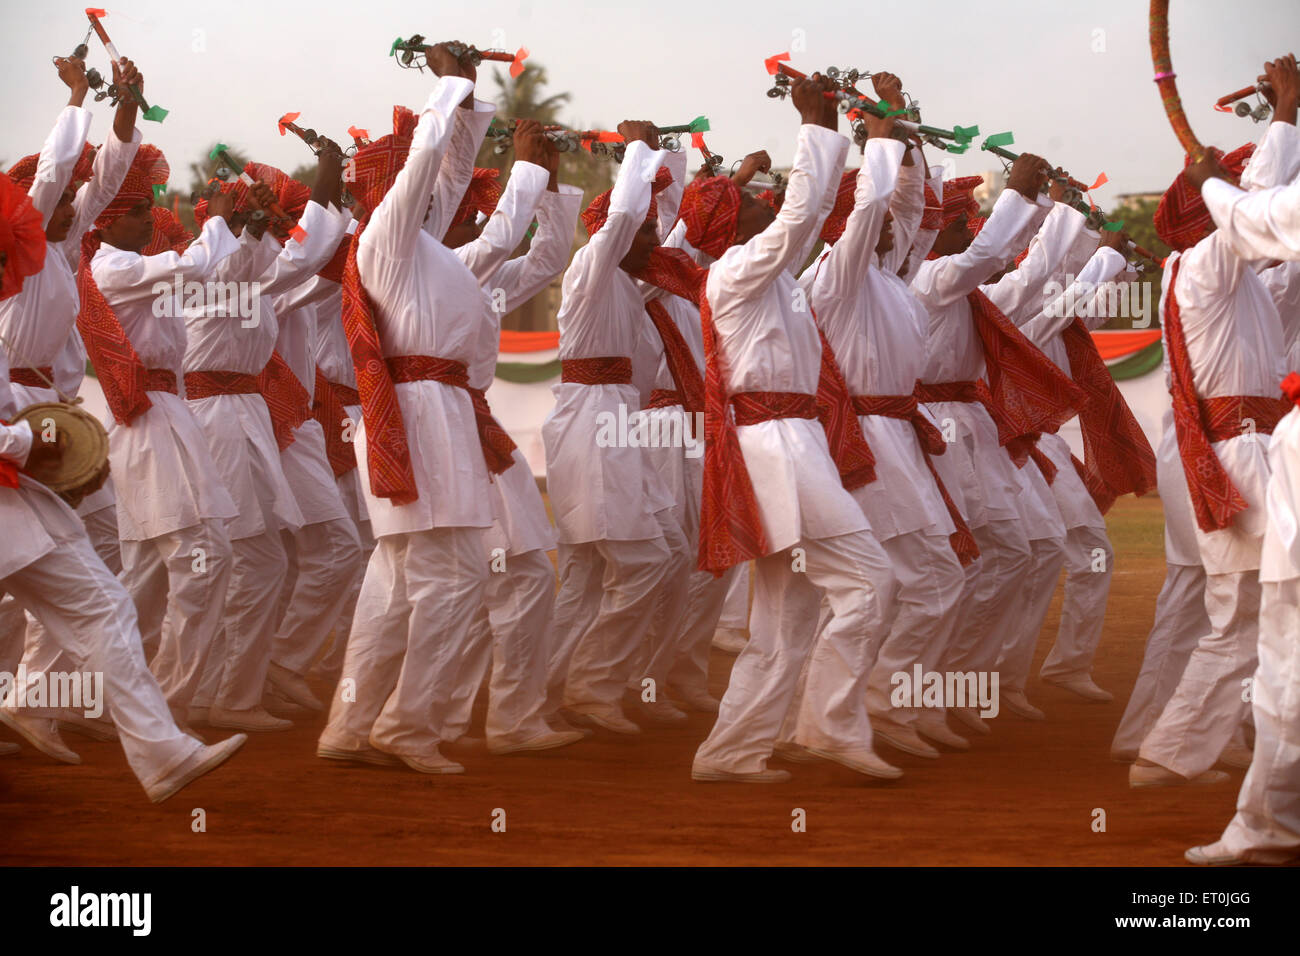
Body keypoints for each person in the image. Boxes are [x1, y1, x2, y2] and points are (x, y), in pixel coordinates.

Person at [317, 44, 544, 773]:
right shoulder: (383, 237)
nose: (441, 200)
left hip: (438, 415)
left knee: (396, 584)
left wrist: (476, 106)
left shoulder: (426, 250)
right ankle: (407, 727)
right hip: (420, 418)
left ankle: (349, 730)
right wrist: (449, 86)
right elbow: (424, 175)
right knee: (454, 578)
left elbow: (447, 190)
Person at [678, 72, 901, 783]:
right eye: (748, 203)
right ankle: (828, 725)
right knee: (871, 583)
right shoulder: (737, 272)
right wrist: (817, 125)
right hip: (777, 452)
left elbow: (844, 221)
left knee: (784, 621)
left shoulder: (781, 282)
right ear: (729, 227)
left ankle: (731, 752)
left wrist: (881, 137)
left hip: (791, 451)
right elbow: (803, 219)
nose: (764, 205)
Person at [0, 169, 246, 800]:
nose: (17, 263)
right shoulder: (105, 271)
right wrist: (34, 443)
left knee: (110, 594)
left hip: (33, 483)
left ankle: (150, 744)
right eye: (10, 250)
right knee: (137, 581)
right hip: (70, 458)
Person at [796, 73, 969, 758]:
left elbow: (913, 218)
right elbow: (874, 213)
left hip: (898, 440)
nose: (905, 232)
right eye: (879, 220)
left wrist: (902, 131)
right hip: (859, 440)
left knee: (928, 580)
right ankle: (854, 717)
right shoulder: (834, 274)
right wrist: (874, 136)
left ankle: (874, 711)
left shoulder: (890, 281)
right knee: (901, 583)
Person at [540, 120, 675, 734]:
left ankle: (537, 692)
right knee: (646, 560)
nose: (655, 239)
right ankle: (591, 687)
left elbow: (689, 246)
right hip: (595, 425)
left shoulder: (627, 284)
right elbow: (622, 220)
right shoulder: (593, 268)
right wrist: (639, 152)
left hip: (610, 425)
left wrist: (664, 160)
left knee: (590, 573)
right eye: (646, 230)